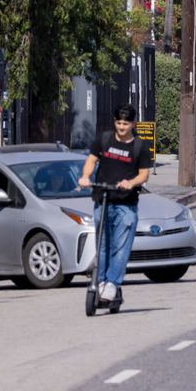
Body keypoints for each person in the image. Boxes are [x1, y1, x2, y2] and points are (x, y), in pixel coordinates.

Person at [78, 105, 153, 305]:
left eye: (126, 123)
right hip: (103, 199)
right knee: (102, 245)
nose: (121, 127)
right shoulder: (104, 140)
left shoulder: (139, 146)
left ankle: (112, 283)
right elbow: (91, 160)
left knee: (120, 247)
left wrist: (131, 183)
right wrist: (85, 176)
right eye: (119, 123)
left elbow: (144, 174)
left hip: (126, 204)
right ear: (115, 122)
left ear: (133, 124)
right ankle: (101, 281)